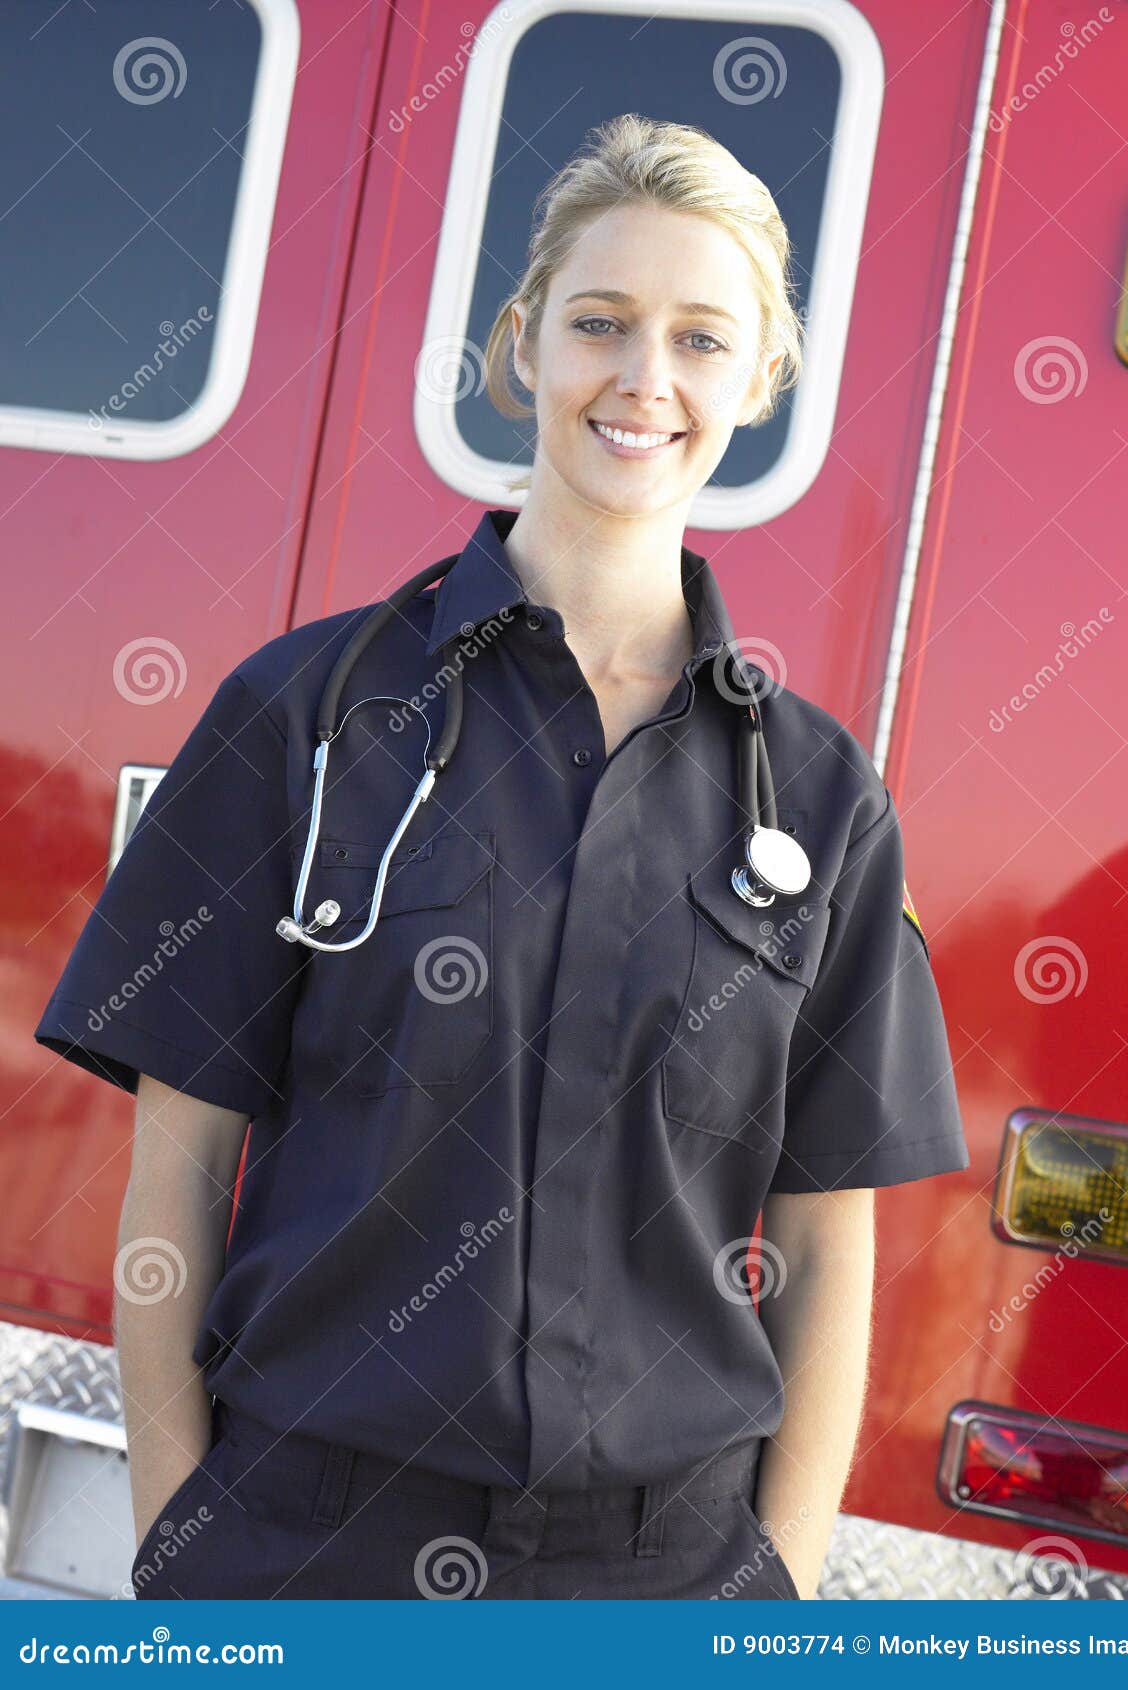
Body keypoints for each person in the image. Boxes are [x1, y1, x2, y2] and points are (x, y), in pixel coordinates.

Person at [34, 113, 969, 1602]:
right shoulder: (306, 714)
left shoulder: (813, 794)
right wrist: (180, 1549)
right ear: (525, 341)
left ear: (761, 380)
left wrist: (776, 1593)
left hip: (662, 1572)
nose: (643, 377)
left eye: (700, 337)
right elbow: (175, 1180)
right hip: (307, 1543)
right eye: (599, 321)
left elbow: (821, 1241)